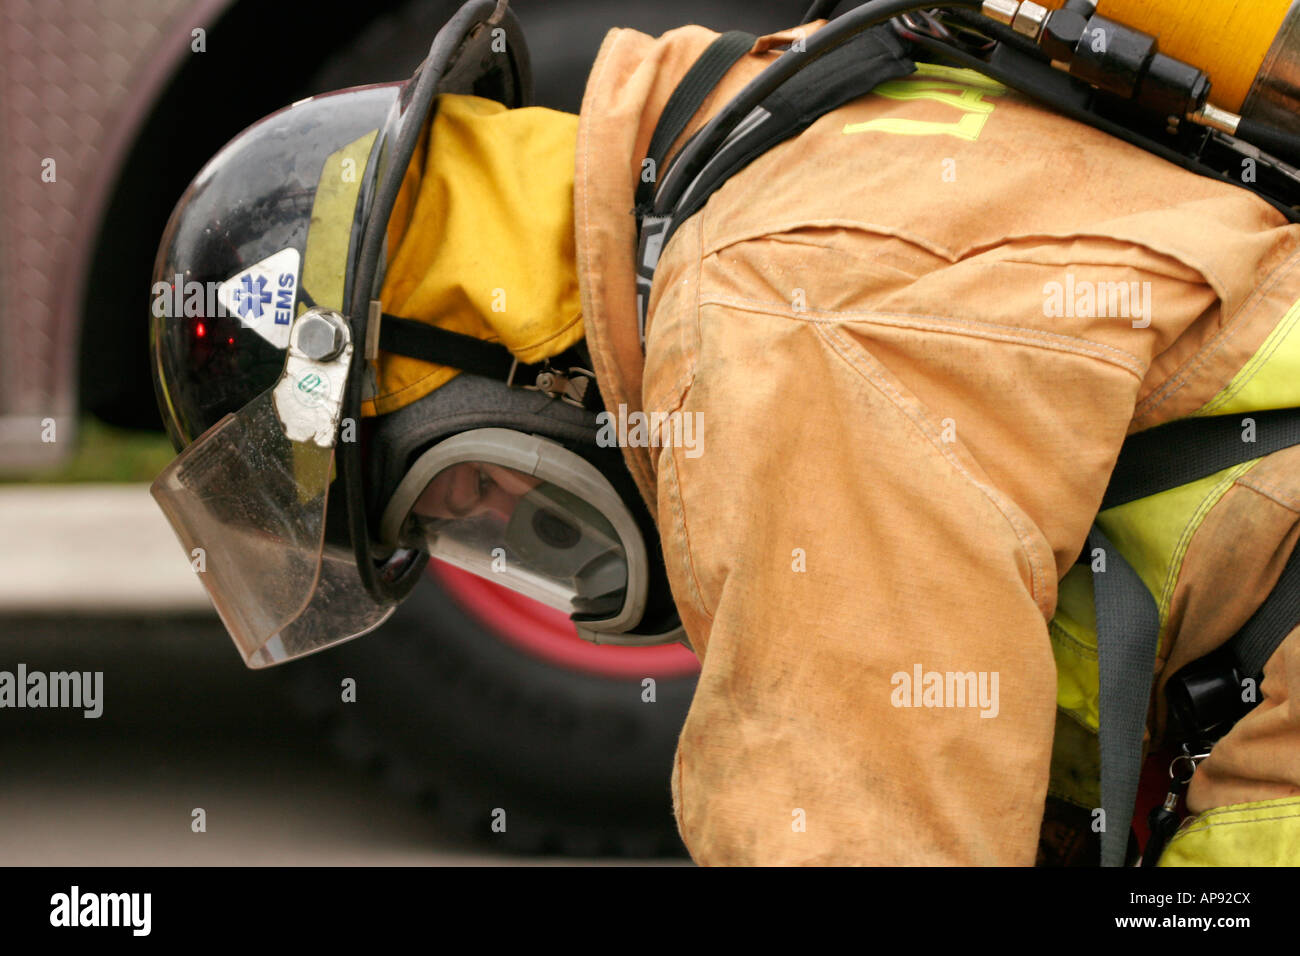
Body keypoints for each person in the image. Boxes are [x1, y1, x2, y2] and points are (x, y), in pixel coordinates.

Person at [150, 0, 1300, 865]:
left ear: (490, 347)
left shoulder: (766, 311)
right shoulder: (805, 120)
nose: (513, 525)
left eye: (466, 494)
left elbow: (855, 827)